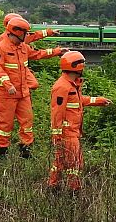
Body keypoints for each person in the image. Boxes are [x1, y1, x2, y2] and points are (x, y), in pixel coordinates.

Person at [0, 16, 64, 158]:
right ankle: (2, 153)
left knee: (27, 122)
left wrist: (57, 51)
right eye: (25, 33)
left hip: (23, 93)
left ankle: (25, 152)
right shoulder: (1, 47)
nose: (27, 35)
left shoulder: (23, 47)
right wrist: (8, 85)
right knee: (5, 125)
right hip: (6, 95)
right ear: (18, 32)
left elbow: (37, 54)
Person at [47, 50, 111, 195]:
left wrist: (98, 101)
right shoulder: (62, 87)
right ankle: (73, 191)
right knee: (74, 164)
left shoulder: (71, 85)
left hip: (70, 132)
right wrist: (57, 135)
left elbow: (79, 101)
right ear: (77, 67)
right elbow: (57, 112)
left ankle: (53, 187)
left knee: (61, 163)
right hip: (67, 133)